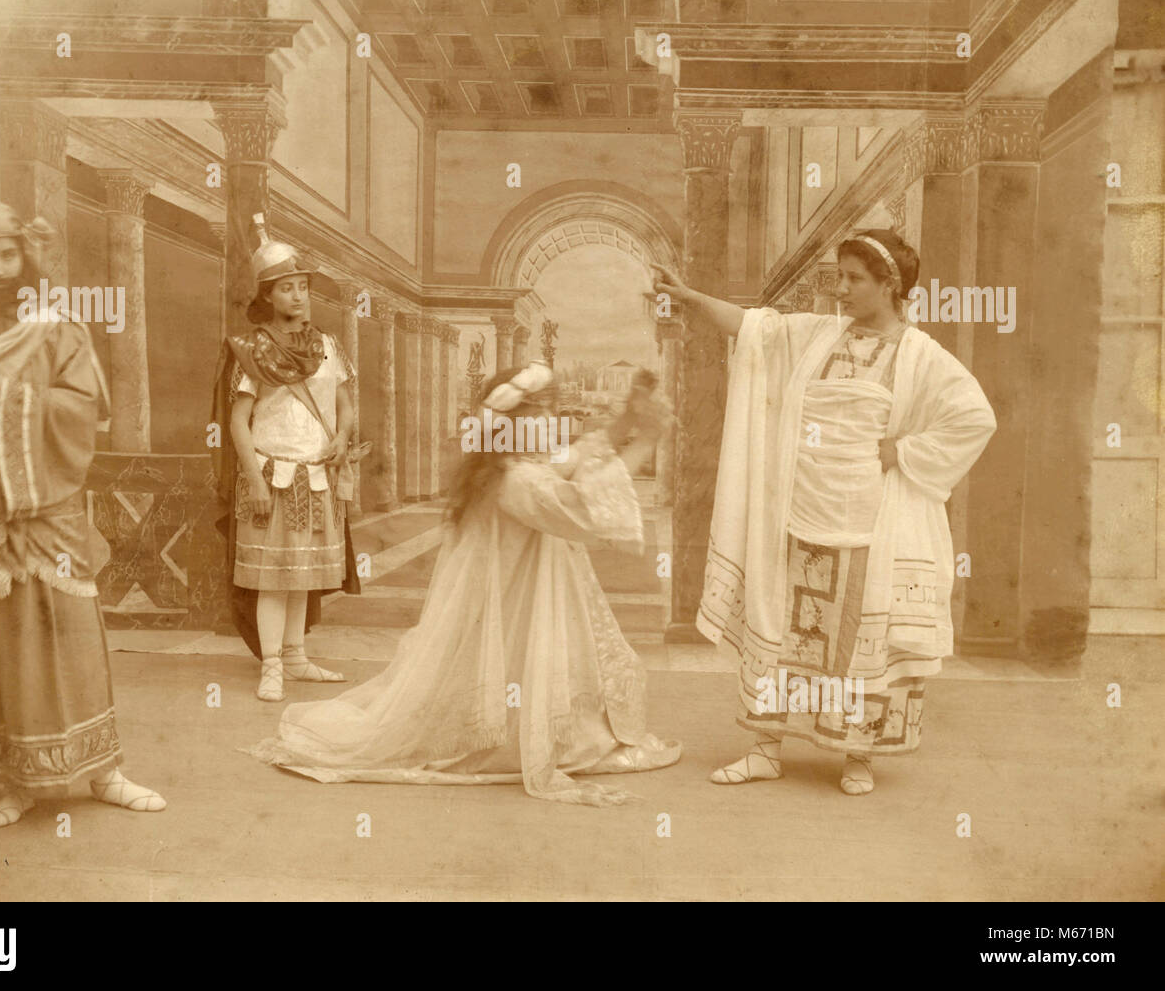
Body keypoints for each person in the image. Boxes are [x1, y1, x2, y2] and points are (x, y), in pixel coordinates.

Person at [652, 228, 996, 795]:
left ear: (890, 286)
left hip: (869, 525)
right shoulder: (816, 336)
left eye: (854, 279)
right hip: (796, 514)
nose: (841, 290)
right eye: (839, 277)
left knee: (857, 637)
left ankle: (856, 754)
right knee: (784, 627)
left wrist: (903, 452)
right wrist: (687, 296)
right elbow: (751, 327)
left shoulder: (921, 356)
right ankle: (765, 749)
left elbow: (974, 417)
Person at [251, 362, 682, 806]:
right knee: (521, 686)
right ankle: (510, 739)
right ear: (519, 422)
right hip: (518, 609)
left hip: (516, 603)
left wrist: (629, 418)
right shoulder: (517, 480)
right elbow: (583, 507)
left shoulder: (509, 465)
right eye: (547, 411)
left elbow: (576, 459)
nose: (557, 422)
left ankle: (515, 728)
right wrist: (647, 439)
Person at [0, 199, 164, 827]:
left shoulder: (59, 329)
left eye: (7, 253)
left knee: (68, 630)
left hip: (47, 505)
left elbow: (83, 411)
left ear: (25, 256)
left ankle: (102, 769)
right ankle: (12, 778)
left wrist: (9, 391)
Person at [211, 214, 360, 701]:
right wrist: (253, 479)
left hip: (317, 475)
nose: (298, 296)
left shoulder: (328, 346)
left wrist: (342, 437)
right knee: (273, 579)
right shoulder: (252, 348)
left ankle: (296, 658)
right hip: (271, 474)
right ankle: (271, 665)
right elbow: (237, 422)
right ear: (268, 296)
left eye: (303, 287)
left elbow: (344, 404)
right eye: (287, 288)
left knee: (302, 576)